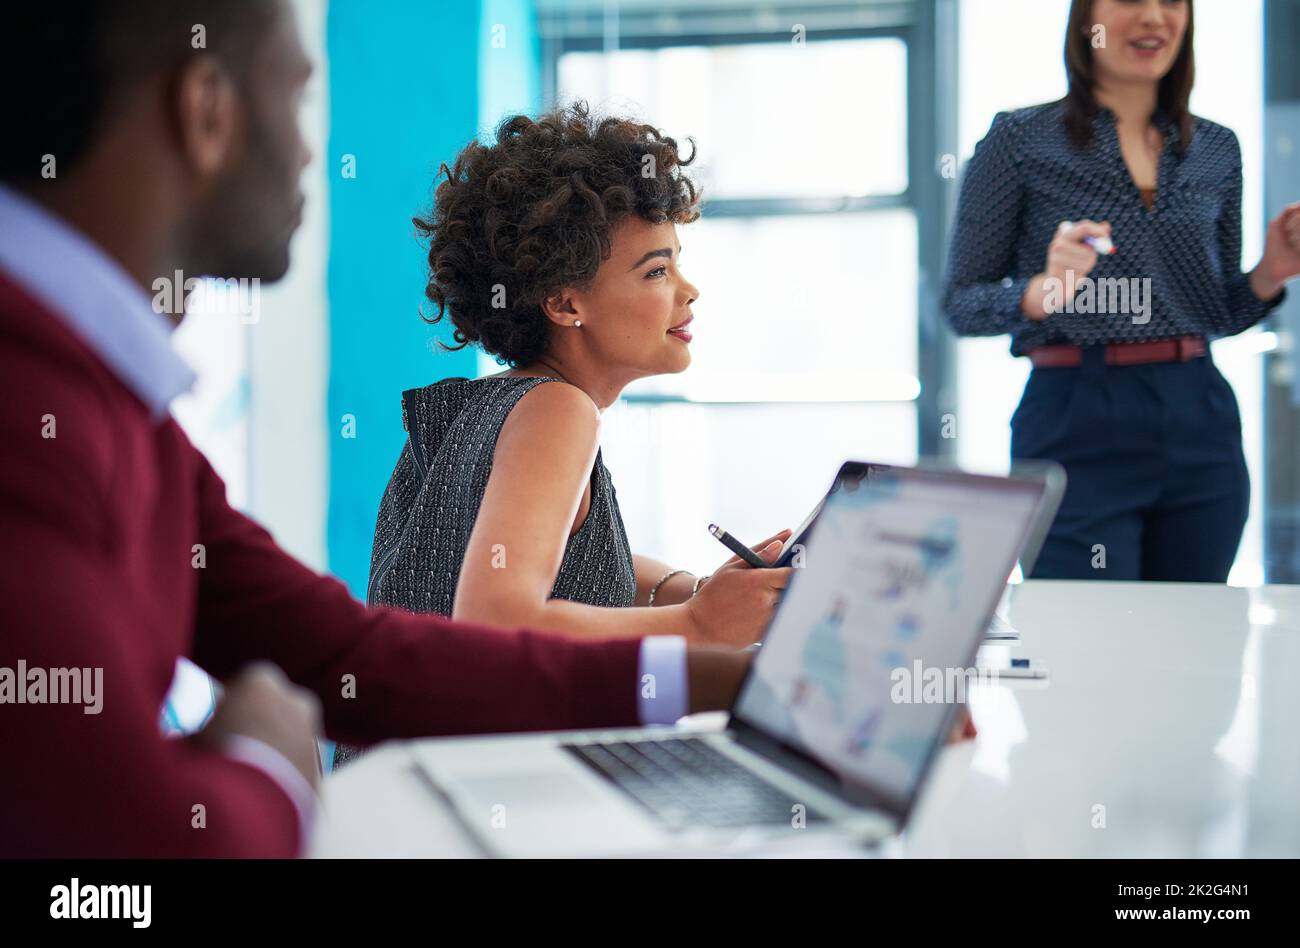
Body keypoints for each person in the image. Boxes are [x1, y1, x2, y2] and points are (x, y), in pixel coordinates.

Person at [0, 0, 752, 858]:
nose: (314, 150)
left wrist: (717, 673)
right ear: (206, 112)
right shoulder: (29, 424)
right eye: (298, 96)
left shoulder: (125, 418)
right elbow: (116, 856)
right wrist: (269, 762)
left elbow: (357, 655)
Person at [333, 105, 793, 769]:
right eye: (657, 271)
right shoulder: (559, 413)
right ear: (565, 303)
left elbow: (548, 554)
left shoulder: (479, 409)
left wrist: (689, 591)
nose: (689, 292)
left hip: (394, 791)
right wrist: (696, 626)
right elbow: (495, 621)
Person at [943, 0, 1300, 582]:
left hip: (1199, 413)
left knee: (1194, 644)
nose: (1156, 18)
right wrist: (1044, 291)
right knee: (1087, 647)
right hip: (1074, 414)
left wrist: (1271, 273)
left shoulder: (1216, 148)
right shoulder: (1020, 139)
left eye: (1172, 3)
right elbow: (961, 305)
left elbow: (1217, 310)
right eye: (1132, 0)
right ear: (1089, 17)